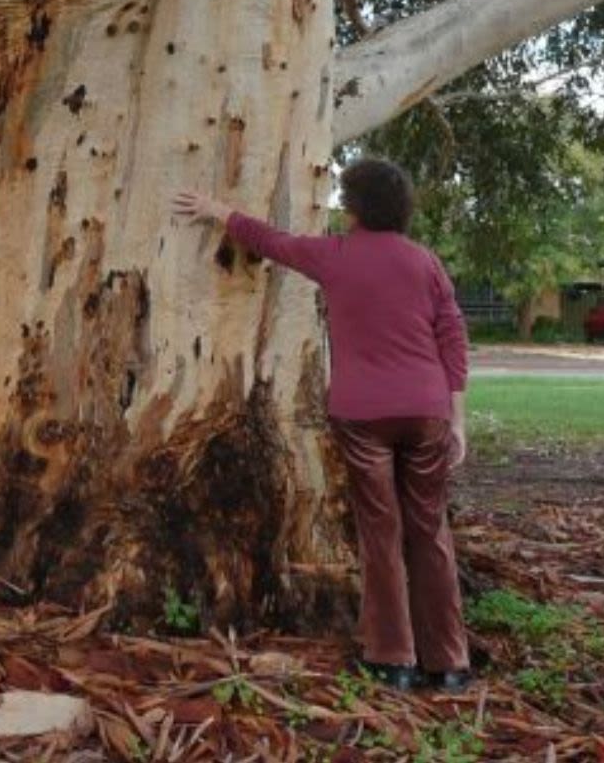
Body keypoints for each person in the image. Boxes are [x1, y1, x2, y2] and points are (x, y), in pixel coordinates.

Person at [172, 158, 471, 693]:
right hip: (428, 413)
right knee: (430, 532)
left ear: (354, 207)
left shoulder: (335, 255)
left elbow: (272, 242)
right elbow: (452, 335)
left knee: (381, 534)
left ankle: (393, 659)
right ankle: (449, 663)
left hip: (363, 416)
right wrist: (459, 419)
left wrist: (217, 209)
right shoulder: (425, 261)